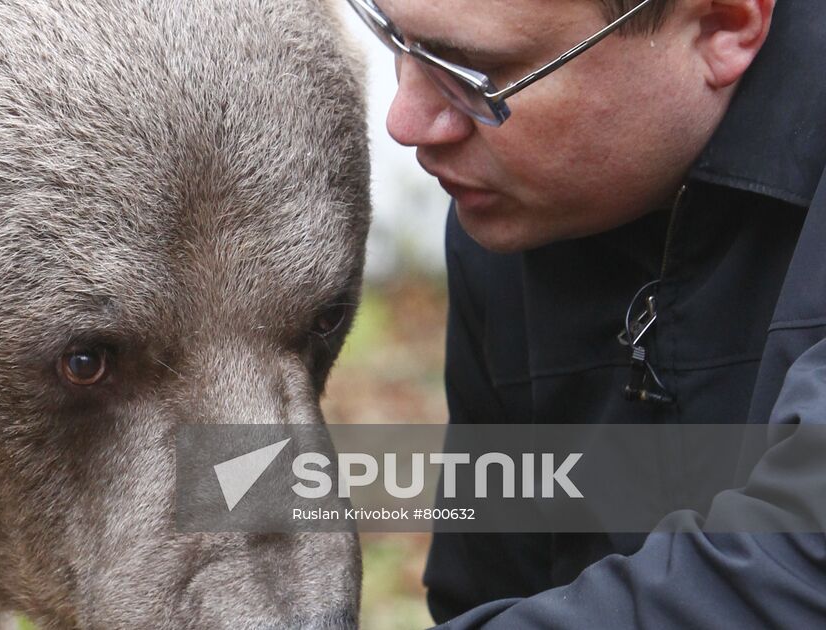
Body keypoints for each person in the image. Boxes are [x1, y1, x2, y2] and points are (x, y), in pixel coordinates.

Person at [344, 0, 826, 626]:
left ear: (722, 26)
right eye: (396, 37)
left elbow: (798, 572)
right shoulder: (519, 217)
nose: (405, 122)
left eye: (474, 72)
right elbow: (488, 591)